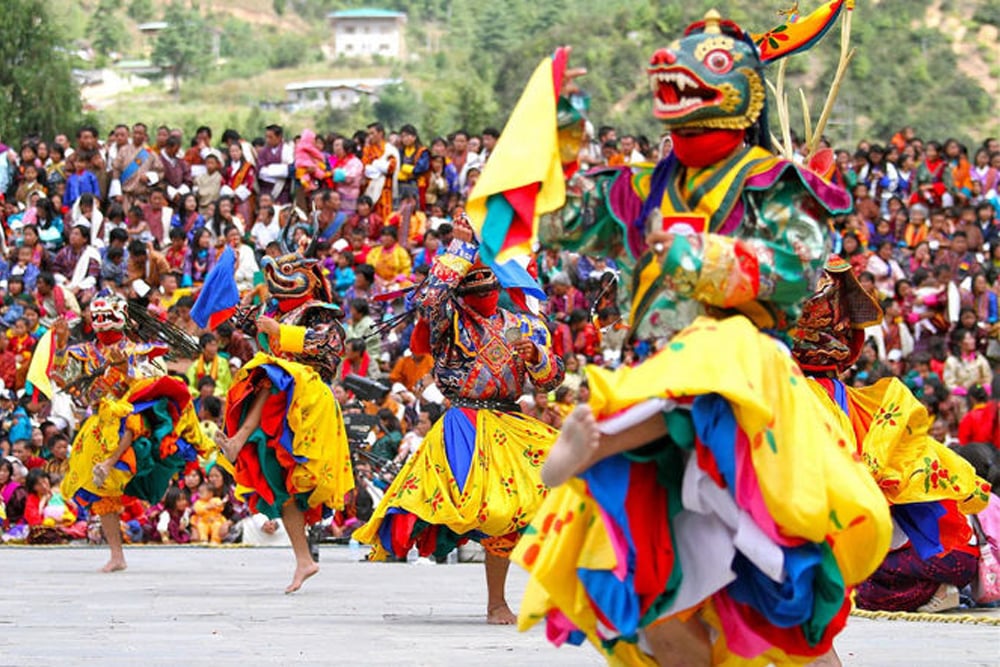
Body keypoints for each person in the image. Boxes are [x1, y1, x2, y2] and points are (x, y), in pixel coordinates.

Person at [490, 10, 893, 665]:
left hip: (747, 401)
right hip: (658, 390)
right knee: (656, 610)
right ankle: (609, 440)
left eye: (702, 67)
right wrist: (559, 132)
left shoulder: (772, 184)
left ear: (745, 91)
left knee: (781, 604)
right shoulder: (638, 189)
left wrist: (702, 258)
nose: (673, 77)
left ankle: (602, 441)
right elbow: (555, 222)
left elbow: (800, 264)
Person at [355, 222, 565, 625]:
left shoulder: (526, 325)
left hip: (511, 421)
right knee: (492, 508)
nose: (483, 289)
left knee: (557, 491)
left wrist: (538, 357)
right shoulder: (449, 320)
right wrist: (460, 246)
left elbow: (552, 380)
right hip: (465, 421)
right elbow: (429, 298)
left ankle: (551, 592)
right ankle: (496, 603)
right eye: (474, 283)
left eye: (489, 282)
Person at [213, 251, 354, 593]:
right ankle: (304, 560)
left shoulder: (321, 315)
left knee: (270, 370)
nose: (277, 276)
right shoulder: (271, 311)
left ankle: (237, 441)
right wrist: (228, 280)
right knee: (279, 481)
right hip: (275, 402)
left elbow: (330, 347)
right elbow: (235, 315)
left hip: (306, 399)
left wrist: (282, 333)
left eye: (289, 271)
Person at [53, 297, 212, 571]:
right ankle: (117, 555)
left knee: (130, 420)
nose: (102, 321)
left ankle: (111, 463)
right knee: (102, 492)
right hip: (100, 424)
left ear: (123, 316)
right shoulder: (83, 353)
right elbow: (67, 385)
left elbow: (147, 387)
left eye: (108, 315)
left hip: (134, 419)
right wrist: (60, 343)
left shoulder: (139, 351)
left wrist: (122, 368)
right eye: (98, 315)